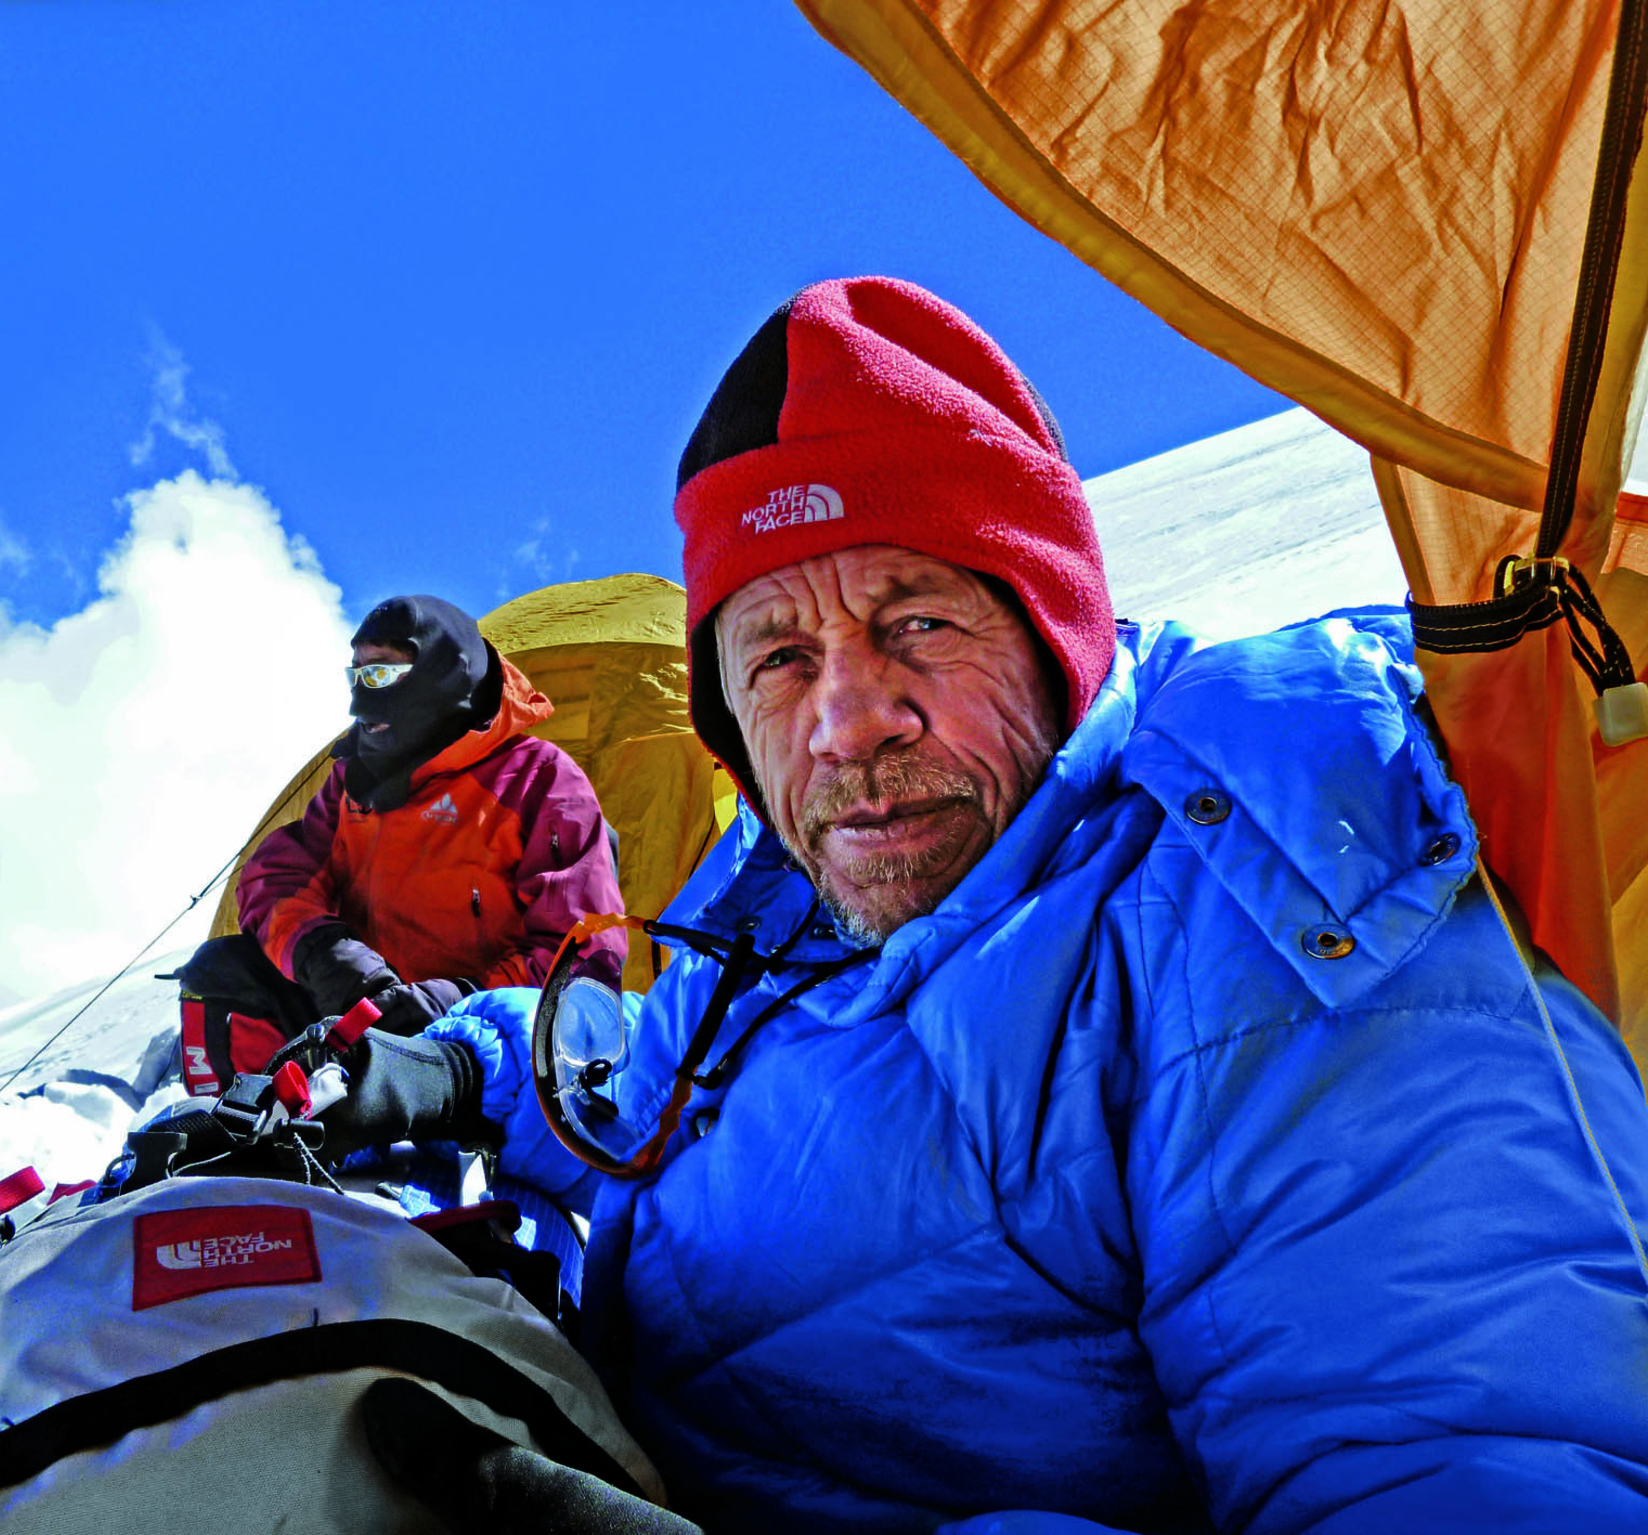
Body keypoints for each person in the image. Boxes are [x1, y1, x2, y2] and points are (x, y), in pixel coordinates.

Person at [341, 278, 1648, 1533]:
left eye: (914, 622)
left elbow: (1453, 1468)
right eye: (782, 658)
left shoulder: (1268, 897)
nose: (849, 721)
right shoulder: (785, 909)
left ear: (1050, 628)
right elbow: (643, 1092)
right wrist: (467, 1064)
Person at [177, 594, 625, 1092]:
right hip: (360, 1018)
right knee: (222, 972)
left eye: (383, 674)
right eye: (357, 676)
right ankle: (237, 1140)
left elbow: (581, 953)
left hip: (475, 1044)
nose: (360, 701)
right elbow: (277, 877)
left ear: (443, 673)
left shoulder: (538, 781)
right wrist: (326, 955)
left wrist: (450, 1001)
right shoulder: (355, 782)